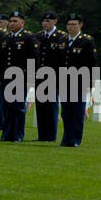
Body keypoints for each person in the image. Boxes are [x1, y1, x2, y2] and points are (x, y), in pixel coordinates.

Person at [60, 13, 97, 147]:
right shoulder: (63, 40)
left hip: (80, 81)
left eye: (74, 24)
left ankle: (75, 139)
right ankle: (66, 138)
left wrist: (90, 83)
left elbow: (92, 64)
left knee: (77, 112)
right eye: (68, 24)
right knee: (66, 112)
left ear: (80, 25)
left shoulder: (86, 41)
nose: (70, 27)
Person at [0, 11, 35, 142]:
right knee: (7, 107)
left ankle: (17, 134)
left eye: (15, 21)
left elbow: (32, 59)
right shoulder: (6, 37)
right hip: (7, 78)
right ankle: (7, 133)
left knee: (18, 107)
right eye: (11, 21)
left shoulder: (28, 37)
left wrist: (30, 79)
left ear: (22, 23)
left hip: (21, 78)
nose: (12, 24)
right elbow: (2, 60)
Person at [35, 11, 66, 142]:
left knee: (51, 107)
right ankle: (42, 135)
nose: (45, 23)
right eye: (43, 21)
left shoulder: (61, 37)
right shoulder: (38, 36)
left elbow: (62, 60)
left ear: (55, 22)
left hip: (54, 77)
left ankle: (51, 135)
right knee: (40, 107)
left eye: (48, 21)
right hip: (39, 76)